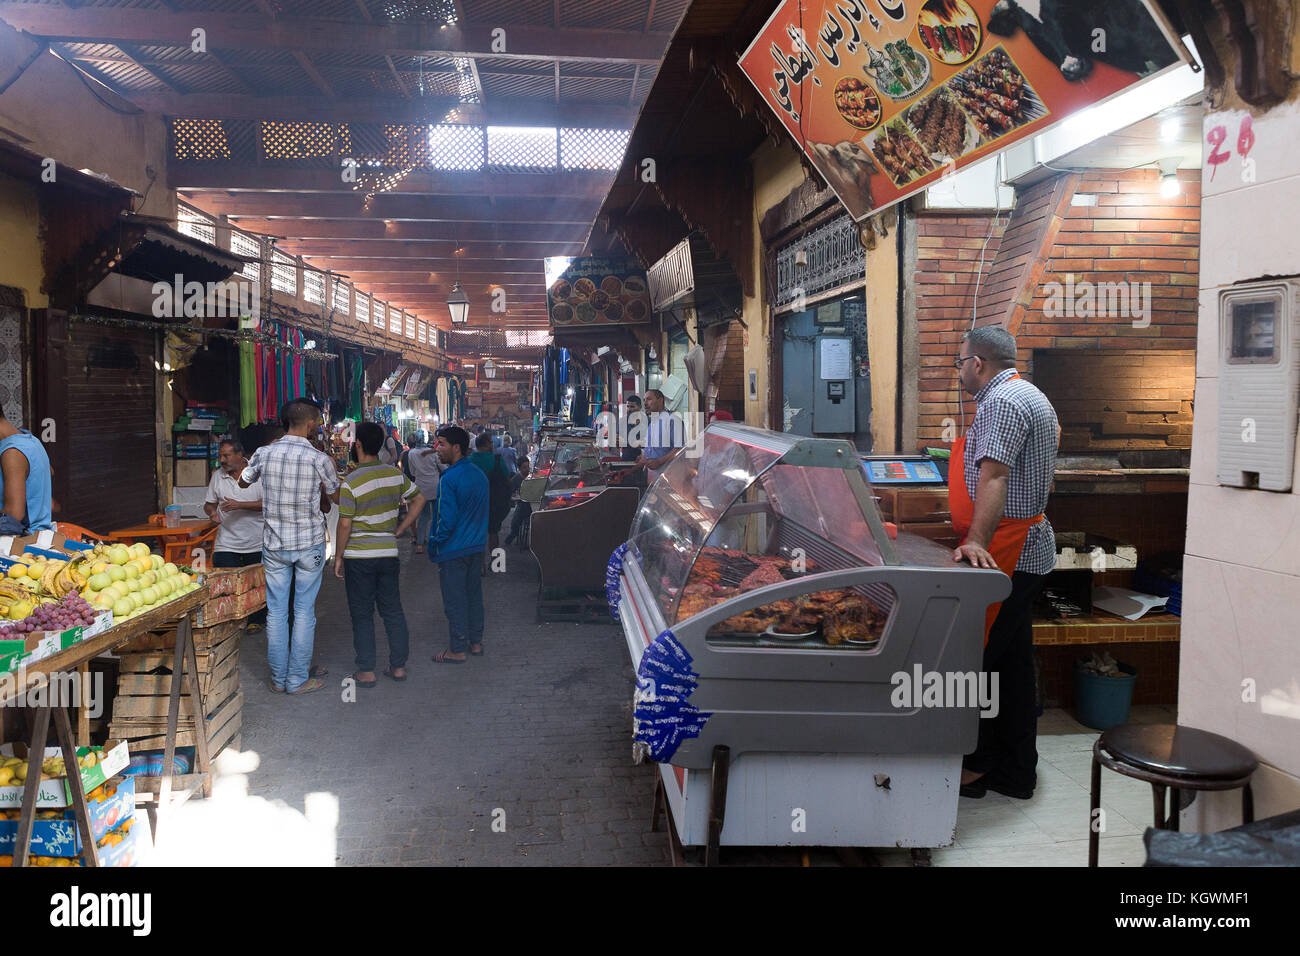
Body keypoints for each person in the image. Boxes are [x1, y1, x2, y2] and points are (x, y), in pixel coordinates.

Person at [950, 326, 1058, 801]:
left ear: (979, 363)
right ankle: (1016, 772)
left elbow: (994, 476)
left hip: (1009, 552)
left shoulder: (1003, 402)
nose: (959, 373)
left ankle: (977, 762)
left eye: (960, 364)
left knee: (974, 662)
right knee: (1011, 665)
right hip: (1025, 548)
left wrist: (976, 541)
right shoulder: (1030, 395)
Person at [240, 400, 341, 695]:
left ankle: (278, 678)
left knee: (275, 613)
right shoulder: (319, 459)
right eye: (318, 422)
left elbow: (245, 482)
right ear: (310, 424)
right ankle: (297, 679)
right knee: (304, 612)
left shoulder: (264, 453)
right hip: (308, 544)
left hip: (274, 544)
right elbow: (336, 498)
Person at [334, 422, 424, 687]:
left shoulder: (351, 482)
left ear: (358, 444)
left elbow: (345, 524)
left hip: (359, 558)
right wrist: (401, 529)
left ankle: (366, 671)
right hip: (387, 553)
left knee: (362, 613)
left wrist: (338, 556)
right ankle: (398, 666)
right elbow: (419, 499)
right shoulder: (393, 475)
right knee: (392, 609)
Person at [428, 425, 488, 664]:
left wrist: (434, 543)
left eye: (441, 444)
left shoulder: (449, 478)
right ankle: (475, 642)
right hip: (476, 547)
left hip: (453, 550)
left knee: (455, 600)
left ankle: (457, 649)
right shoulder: (479, 475)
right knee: (473, 596)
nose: (437, 449)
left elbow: (446, 520)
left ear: (456, 447)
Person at [204, 439, 266, 629]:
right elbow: (209, 504)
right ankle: (229, 620)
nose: (222, 460)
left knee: (255, 584)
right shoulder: (218, 477)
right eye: (220, 455)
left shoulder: (257, 473)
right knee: (224, 582)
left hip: (256, 540)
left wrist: (239, 505)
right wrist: (212, 513)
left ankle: (255, 621)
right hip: (227, 540)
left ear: (240, 455)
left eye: (226, 455)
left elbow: (268, 505)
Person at [0, 413, 52, 534]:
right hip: (41, 534)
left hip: (23, 541)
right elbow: (49, 471)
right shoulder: (29, 439)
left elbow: (14, 514)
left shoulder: (12, 452)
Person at [470, 433, 513, 573]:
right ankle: (495, 564)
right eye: (490, 442)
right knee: (493, 532)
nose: (492, 444)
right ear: (486, 444)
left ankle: (480, 566)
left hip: (475, 502)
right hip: (494, 502)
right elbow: (508, 480)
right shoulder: (496, 460)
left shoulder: (470, 460)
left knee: (478, 533)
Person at [636, 388, 684, 486]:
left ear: (660, 400)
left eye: (649, 399)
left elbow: (679, 448)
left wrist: (659, 461)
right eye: (644, 400)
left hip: (669, 477)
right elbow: (653, 449)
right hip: (652, 477)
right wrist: (644, 457)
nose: (645, 403)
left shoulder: (673, 420)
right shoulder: (652, 422)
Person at [405, 438, 446, 549]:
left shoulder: (411, 453)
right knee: (437, 514)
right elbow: (442, 468)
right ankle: (437, 540)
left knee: (424, 516)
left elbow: (412, 472)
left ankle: (420, 543)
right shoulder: (433, 452)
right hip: (434, 485)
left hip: (421, 487)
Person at [502, 458, 532, 548]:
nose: (527, 469)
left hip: (533, 504)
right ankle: (514, 533)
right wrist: (513, 495)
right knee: (516, 520)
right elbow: (510, 493)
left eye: (528, 467)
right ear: (519, 469)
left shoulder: (532, 477)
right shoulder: (516, 479)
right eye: (524, 467)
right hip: (522, 504)